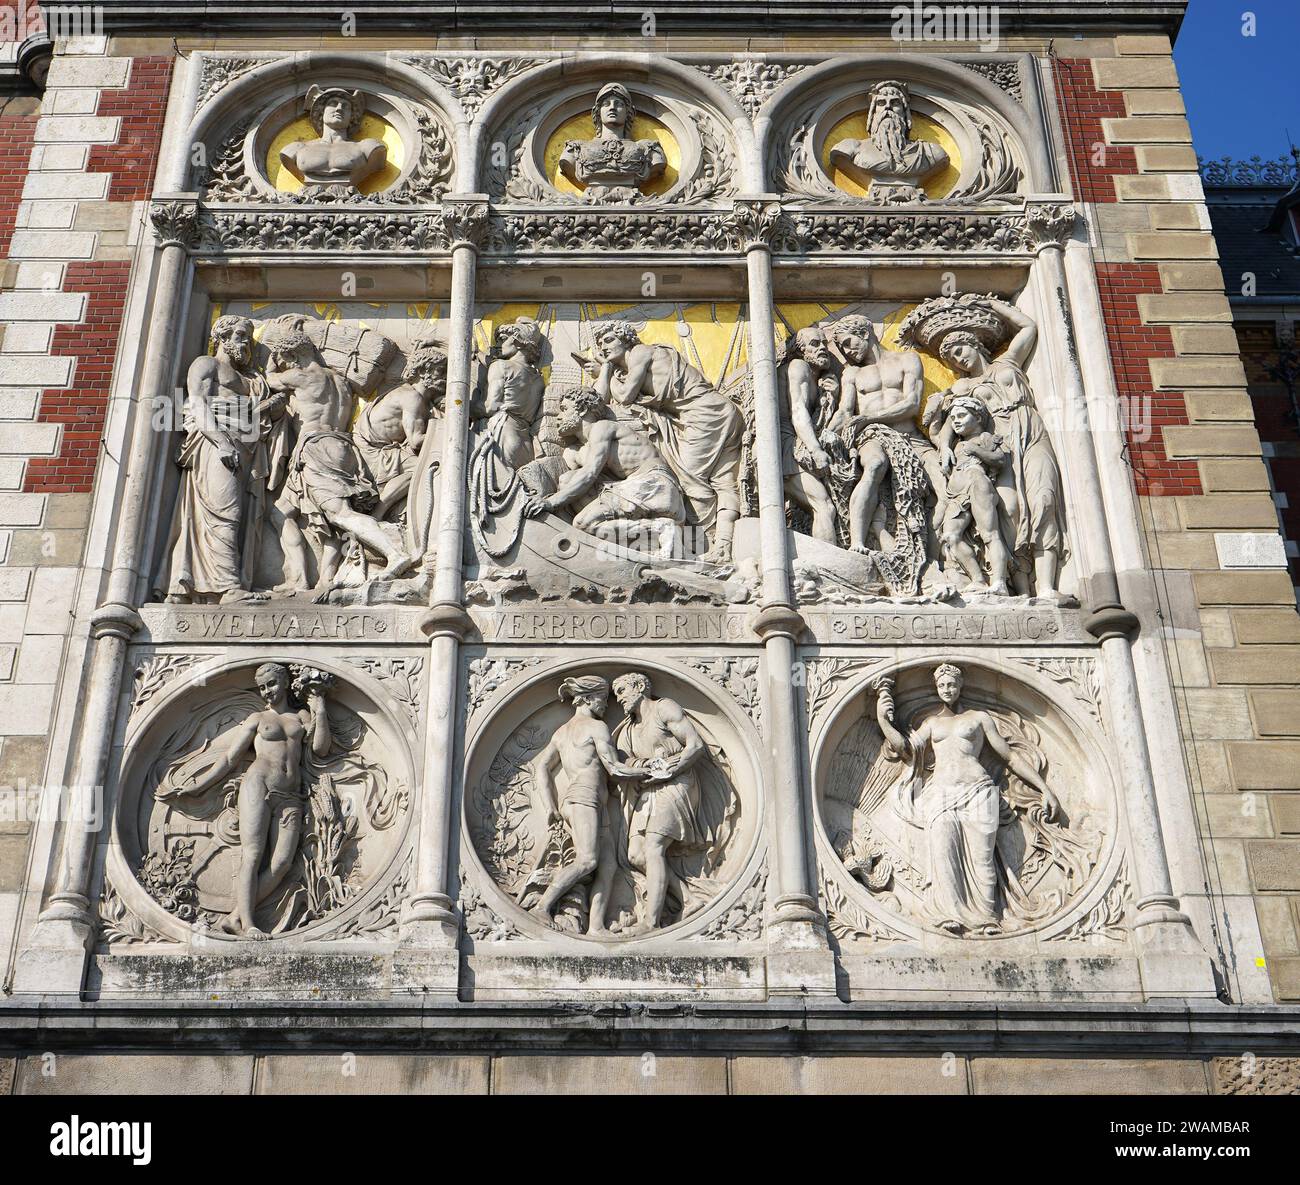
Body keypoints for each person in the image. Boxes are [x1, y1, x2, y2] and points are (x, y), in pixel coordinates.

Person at [874, 664, 1061, 936]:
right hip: (941, 793)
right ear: (937, 689)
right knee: (942, 852)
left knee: (981, 856)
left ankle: (987, 918)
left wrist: (1045, 788)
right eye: (942, 686)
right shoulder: (931, 724)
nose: (947, 689)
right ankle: (949, 914)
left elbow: (1009, 757)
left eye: (951, 684)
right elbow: (906, 750)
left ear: (960, 686)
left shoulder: (979, 718)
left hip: (978, 790)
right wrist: (883, 720)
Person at [157, 663, 332, 939]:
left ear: (285, 683)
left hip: (290, 795)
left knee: (282, 863)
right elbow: (229, 759)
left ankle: (235, 916)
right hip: (258, 785)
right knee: (252, 854)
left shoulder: (301, 716)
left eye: (272, 684)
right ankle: (249, 923)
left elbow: (321, 748)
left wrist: (320, 708)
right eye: (262, 687)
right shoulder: (257, 719)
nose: (267, 692)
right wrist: (198, 786)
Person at [264, 329, 414, 598]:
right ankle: (305, 580)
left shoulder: (299, 376)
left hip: (317, 448)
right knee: (282, 512)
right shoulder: (340, 379)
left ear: (294, 356)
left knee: (339, 515)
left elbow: (269, 382)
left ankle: (395, 553)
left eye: (287, 359)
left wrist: (271, 362)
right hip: (342, 446)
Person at [582, 320, 744, 563]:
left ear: (625, 338)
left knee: (691, 481)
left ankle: (698, 547)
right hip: (719, 413)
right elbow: (599, 401)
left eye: (608, 340)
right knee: (723, 482)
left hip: (704, 415)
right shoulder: (625, 369)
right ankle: (722, 547)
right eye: (599, 344)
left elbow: (625, 397)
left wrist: (605, 370)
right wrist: (605, 371)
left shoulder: (640, 352)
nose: (603, 348)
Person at [161, 315, 282, 604]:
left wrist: (268, 406)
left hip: (246, 448)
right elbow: (197, 403)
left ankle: (225, 581)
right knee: (224, 511)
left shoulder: (251, 378)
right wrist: (222, 442)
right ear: (222, 337)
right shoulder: (206, 364)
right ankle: (228, 587)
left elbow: (251, 413)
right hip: (217, 444)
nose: (245, 343)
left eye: (248, 338)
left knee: (240, 514)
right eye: (240, 335)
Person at [528, 676, 645, 935]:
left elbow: (542, 769)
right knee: (588, 860)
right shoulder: (596, 727)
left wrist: (551, 807)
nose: (606, 706)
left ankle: (595, 928)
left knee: (608, 866)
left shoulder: (561, 733)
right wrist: (648, 770)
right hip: (584, 799)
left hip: (586, 802)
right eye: (602, 700)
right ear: (588, 698)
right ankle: (542, 907)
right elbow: (613, 767)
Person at [523, 385, 686, 551]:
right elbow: (572, 483)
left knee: (583, 523)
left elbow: (589, 474)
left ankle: (662, 530)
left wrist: (549, 503)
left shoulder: (602, 428)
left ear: (582, 410)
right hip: (635, 489)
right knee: (567, 481)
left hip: (653, 485)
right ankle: (649, 543)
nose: (559, 417)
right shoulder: (576, 452)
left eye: (564, 409)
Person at [611, 672, 708, 935]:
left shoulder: (663, 707)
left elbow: (695, 744)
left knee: (653, 847)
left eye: (621, 690)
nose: (618, 698)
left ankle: (651, 922)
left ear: (640, 687)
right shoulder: (628, 730)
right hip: (649, 789)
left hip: (677, 784)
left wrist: (668, 769)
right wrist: (643, 766)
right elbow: (624, 762)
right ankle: (689, 899)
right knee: (636, 855)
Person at [935, 395, 1012, 595]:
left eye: (961, 415)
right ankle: (977, 579)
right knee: (950, 536)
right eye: (952, 418)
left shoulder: (984, 437)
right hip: (956, 493)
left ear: (978, 418)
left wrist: (975, 450)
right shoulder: (955, 445)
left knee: (990, 534)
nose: (956, 421)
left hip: (977, 484)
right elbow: (936, 432)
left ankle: (999, 582)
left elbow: (999, 459)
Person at [559, 82, 667, 203]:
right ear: (597, 112)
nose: (612, 108)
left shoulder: (648, 149)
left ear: (629, 112)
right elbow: (567, 162)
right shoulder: (576, 148)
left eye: (619, 104)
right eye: (606, 104)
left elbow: (658, 164)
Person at [780, 327, 839, 544]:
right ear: (801, 349)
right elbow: (797, 409)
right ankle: (828, 568)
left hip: (793, 448)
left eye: (825, 343)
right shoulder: (799, 366)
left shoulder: (818, 379)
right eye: (815, 344)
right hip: (784, 449)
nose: (823, 348)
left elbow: (819, 423)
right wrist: (816, 450)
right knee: (823, 505)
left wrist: (830, 396)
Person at [280, 86, 387, 190]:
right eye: (333, 104)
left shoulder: (368, 147)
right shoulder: (295, 149)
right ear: (321, 112)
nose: (339, 108)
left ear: (352, 117)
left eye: (346, 106)